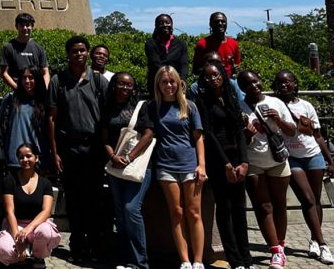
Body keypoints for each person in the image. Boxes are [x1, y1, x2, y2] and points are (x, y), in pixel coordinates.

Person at [46, 35, 108, 262]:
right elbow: (51, 118)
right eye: (74, 51)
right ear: (68, 55)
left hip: (94, 148)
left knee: (94, 199)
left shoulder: (98, 81)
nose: (79, 54)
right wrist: (55, 152)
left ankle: (96, 246)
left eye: (82, 50)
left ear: (88, 53)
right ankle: (77, 246)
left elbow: (106, 118)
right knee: (73, 200)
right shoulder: (58, 81)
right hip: (69, 148)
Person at [194, 60, 253, 269]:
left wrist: (244, 161)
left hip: (237, 158)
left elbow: (239, 130)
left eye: (216, 74)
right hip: (218, 160)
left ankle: (247, 259)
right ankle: (235, 260)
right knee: (225, 209)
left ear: (222, 75)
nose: (213, 79)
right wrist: (226, 165)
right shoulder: (203, 101)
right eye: (208, 76)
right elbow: (209, 134)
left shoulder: (231, 97)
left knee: (240, 209)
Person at [273, 70, 334, 265]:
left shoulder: (306, 106)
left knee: (315, 200)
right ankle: (323, 244)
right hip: (292, 158)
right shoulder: (275, 105)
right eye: (280, 82)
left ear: (295, 83)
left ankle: (314, 240)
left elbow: (317, 136)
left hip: (313, 155)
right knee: (307, 198)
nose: (284, 85)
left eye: (288, 81)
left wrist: (329, 160)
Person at [238, 70, 296, 269]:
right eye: (248, 84)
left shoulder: (275, 102)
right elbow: (238, 139)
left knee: (280, 204)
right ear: (242, 88)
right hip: (253, 161)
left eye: (256, 81)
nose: (254, 86)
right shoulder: (239, 107)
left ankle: (281, 244)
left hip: (277, 160)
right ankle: (275, 250)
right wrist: (247, 134)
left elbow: (292, 131)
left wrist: (278, 120)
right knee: (263, 207)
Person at [150, 65, 206, 269]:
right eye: (164, 82)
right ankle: (185, 260)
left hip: (190, 164)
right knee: (177, 213)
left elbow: (198, 137)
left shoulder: (189, 106)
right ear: (158, 84)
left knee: (194, 212)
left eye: (172, 81)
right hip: (166, 165)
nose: (168, 85)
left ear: (179, 83)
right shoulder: (153, 107)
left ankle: (198, 260)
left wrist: (202, 165)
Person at [100, 72, 154, 269]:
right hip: (116, 166)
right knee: (121, 213)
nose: (125, 87)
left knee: (131, 209)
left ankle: (140, 262)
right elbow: (104, 138)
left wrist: (129, 157)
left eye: (129, 84)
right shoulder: (107, 108)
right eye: (121, 83)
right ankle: (123, 258)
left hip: (138, 165)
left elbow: (149, 134)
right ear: (114, 85)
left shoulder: (140, 106)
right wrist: (113, 156)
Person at [0, 143, 61, 266]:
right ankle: (19, 257)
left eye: (28, 156)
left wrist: (29, 228)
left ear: (36, 158)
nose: (25, 160)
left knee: (46, 232)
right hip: (15, 225)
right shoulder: (10, 180)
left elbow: (46, 211)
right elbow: (9, 211)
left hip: (37, 226)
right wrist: (18, 239)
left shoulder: (45, 183)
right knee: (5, 250)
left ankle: (38, 256)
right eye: (21, 157)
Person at [0, 67, 48, 170]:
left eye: (31, 77)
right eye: (24, 78)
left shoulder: (46, 101)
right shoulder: (11, 99)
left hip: (38, 159)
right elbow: (1, 126)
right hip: (15, 159)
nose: (27, 81)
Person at [1, 13, 50, 90]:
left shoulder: (39, 48)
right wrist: (17, 89)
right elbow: (4, 73)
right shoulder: (8, 47)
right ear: (16, 27)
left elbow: (45, 72)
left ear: (32, 26)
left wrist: (44, 88)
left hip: (36, 91)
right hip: (16, 90)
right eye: (21, 25)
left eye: (27, 25)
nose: (25, 28)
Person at [145, 13, 189, 95]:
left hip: (177, 81)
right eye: (161, 23)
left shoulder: (181, 44)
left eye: (167, 22)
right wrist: (169, 80)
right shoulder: (151, 43)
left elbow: (184, 64)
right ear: (156, 27)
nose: (165, 25)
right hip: (157, 82)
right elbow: (156, 64)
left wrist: (182, 79)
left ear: (172, 25)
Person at [192, 12, 242, 78]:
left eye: (223, 21)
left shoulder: (233, 44)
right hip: (209, 81)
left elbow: (237, 64)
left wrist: (235, 69)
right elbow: (195, 70)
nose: (220, 24)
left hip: (229, 80)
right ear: (210, 24)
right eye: (216, 22)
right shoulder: (202, 44)